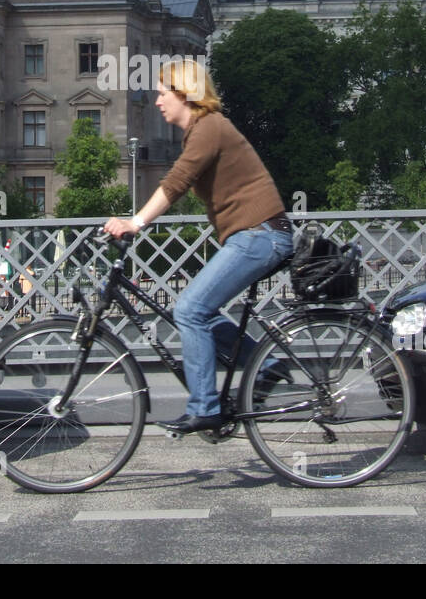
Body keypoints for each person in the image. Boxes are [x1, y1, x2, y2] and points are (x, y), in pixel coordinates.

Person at [104, 58, 293, 434]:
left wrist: (136, 223)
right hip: (256, 234)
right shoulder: (202, 131)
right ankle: (267, 364)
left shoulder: (209, 127)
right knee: (196, 311)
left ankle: (205, 407)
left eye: (163, 93)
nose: (158, 102)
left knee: (190, 310)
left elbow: (176, 182)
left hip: (260, 235)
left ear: (185, 94)